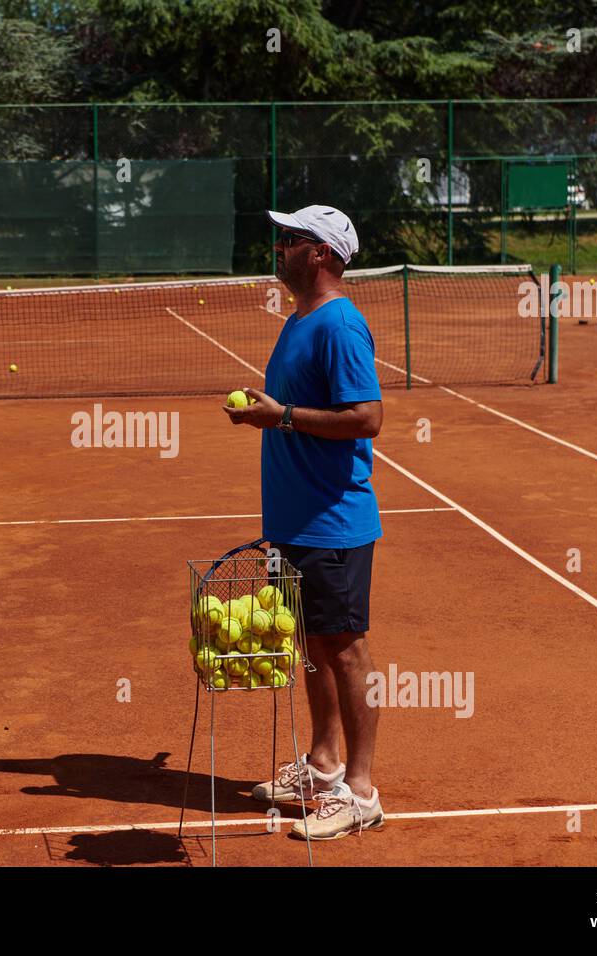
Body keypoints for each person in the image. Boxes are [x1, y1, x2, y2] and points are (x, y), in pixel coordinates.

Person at [224, 204, 384, 839]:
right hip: (291, 518)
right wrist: (270, 412)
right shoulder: (298, 320)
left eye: (291, 240)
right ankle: (323, 765)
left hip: (332, 520)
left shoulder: (340, 326)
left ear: (321, 254)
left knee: (344, 650)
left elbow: (367, 417)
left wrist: (281, 417)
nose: (279, 247)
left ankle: (362, 791)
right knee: (311, 644)